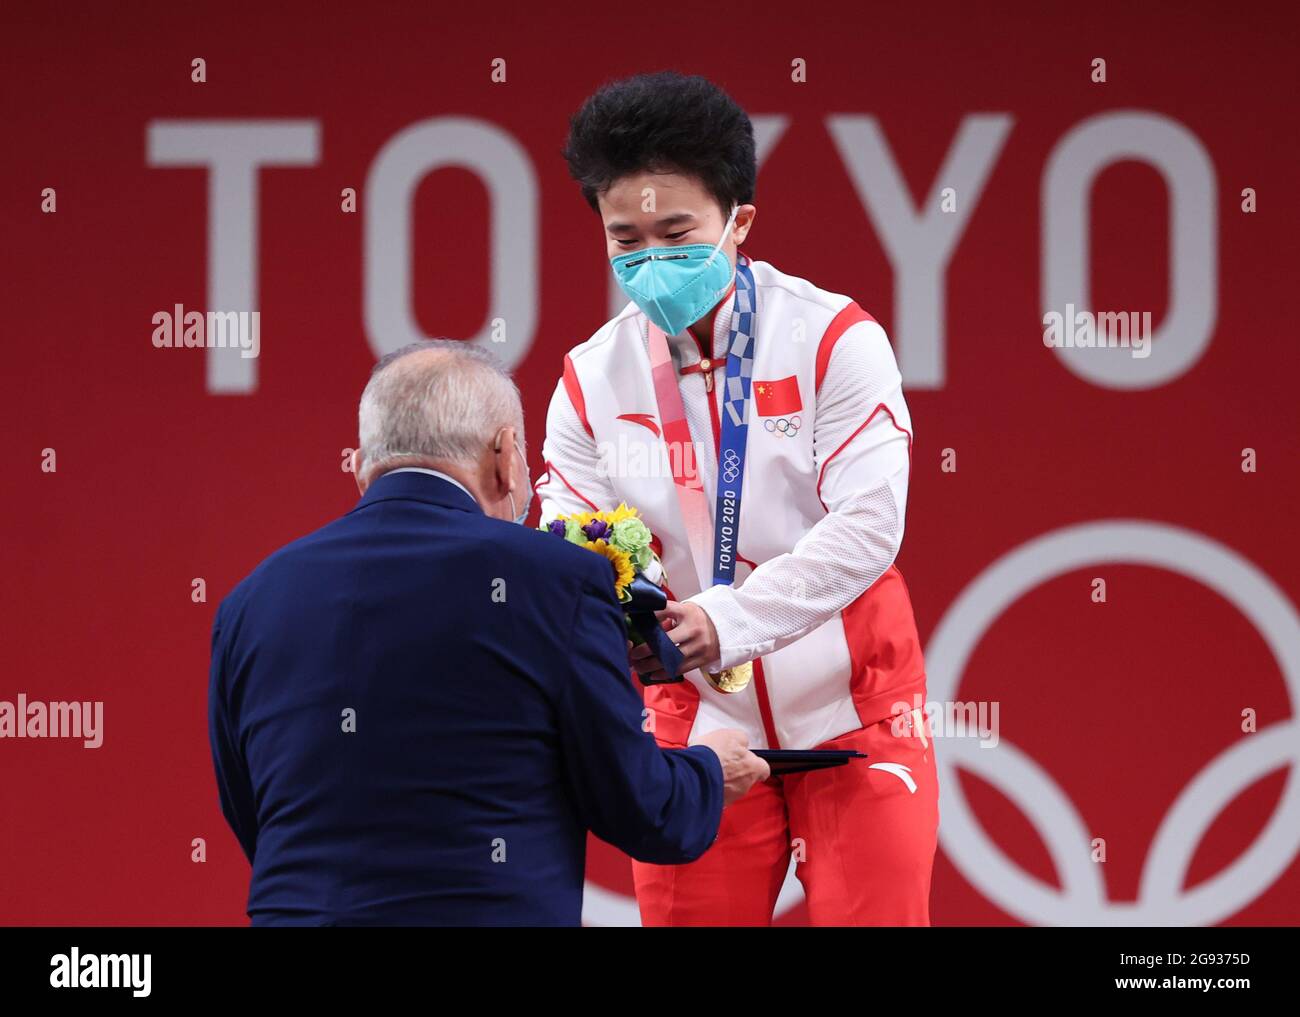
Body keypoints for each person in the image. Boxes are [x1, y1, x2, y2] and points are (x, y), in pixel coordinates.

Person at [538, 71, 938, 925]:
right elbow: (566, 551)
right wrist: (625, 627)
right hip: (696, 734)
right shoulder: (585, 384)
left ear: (739, 222)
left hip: (854, 712)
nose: (651, 260)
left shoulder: (835, 338)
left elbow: (870, 525)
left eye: (677, 233)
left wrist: (727, 620)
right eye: (626, 238)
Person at [207, 339, 770, 926]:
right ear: (505, 456)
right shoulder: (559, 580)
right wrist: (709, 768)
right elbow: (642, 808)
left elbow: (253, 815)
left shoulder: (250, 602)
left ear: (359, 468)